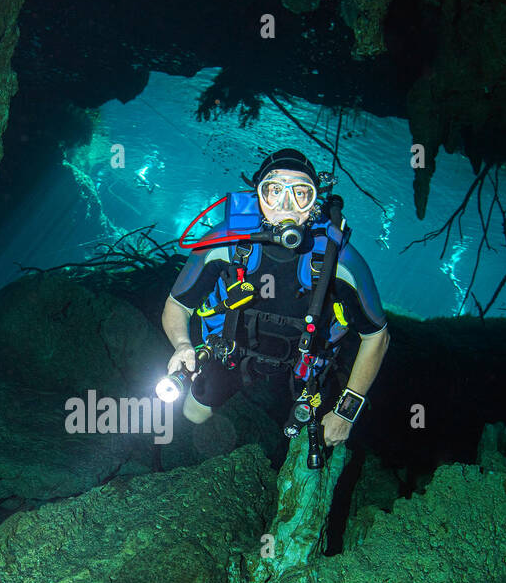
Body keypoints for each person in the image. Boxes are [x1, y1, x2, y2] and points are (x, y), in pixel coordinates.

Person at [160, 148, 390, 449]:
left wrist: (347, 411)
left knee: (322, 442)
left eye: (301, 194)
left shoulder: (338, 258)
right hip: (232, 355)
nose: (286, 206)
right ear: (258, 196)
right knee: (193, 413)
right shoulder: (227, 242)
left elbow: (377, 336)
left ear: (314, 204)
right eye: (274, 191)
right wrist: (182, 345)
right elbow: (177, 304)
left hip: (305, 367)